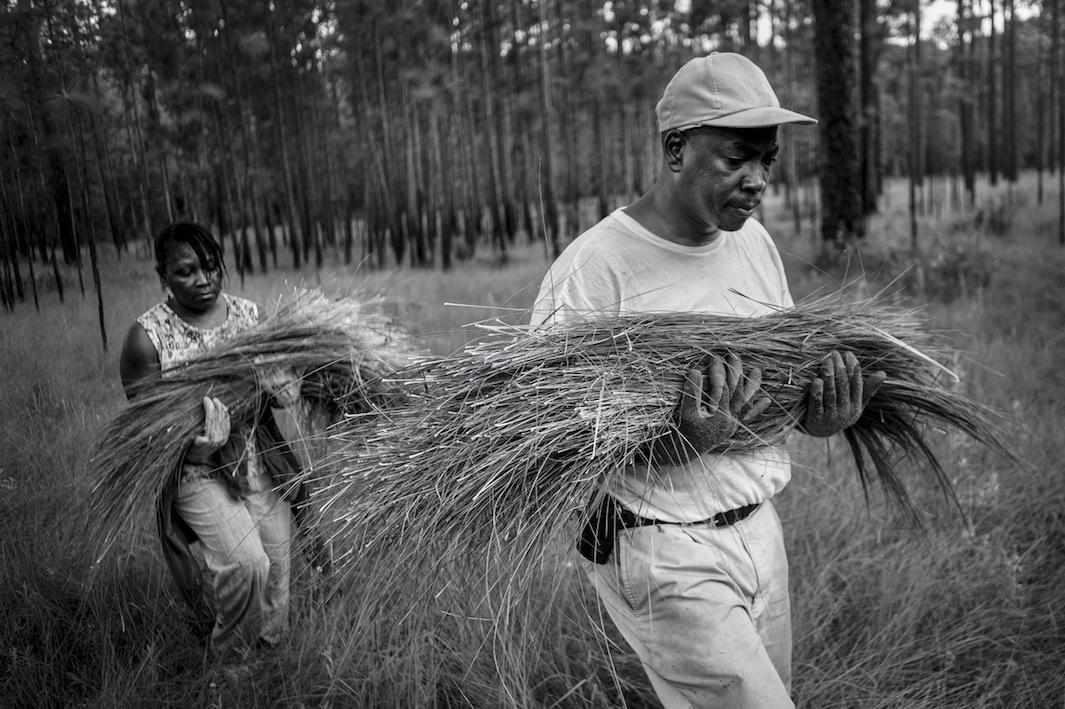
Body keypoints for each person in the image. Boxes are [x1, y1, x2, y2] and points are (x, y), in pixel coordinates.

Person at [531, 53, 884, 708]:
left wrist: (817, 414)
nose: (756, 181)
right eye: (735, 158)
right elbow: (557, 447)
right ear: (674, 149)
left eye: (767, 161)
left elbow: (777, 386)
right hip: (659, 543)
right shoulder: (593, 268)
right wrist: (679, 441)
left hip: (758, 528)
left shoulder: (753, 244)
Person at [119, 222, 302, 662]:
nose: (203, 279)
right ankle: (230, 666)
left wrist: (285, 387)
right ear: (163, 275)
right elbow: (149, 436)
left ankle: (270, 655)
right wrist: (195, 449)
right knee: (247, 565)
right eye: (186, 271)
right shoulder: (146, 339)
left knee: (276, 564)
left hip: (253, 457)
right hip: (193, 470)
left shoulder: (248, 316)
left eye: (211, 267)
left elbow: (275, 396)